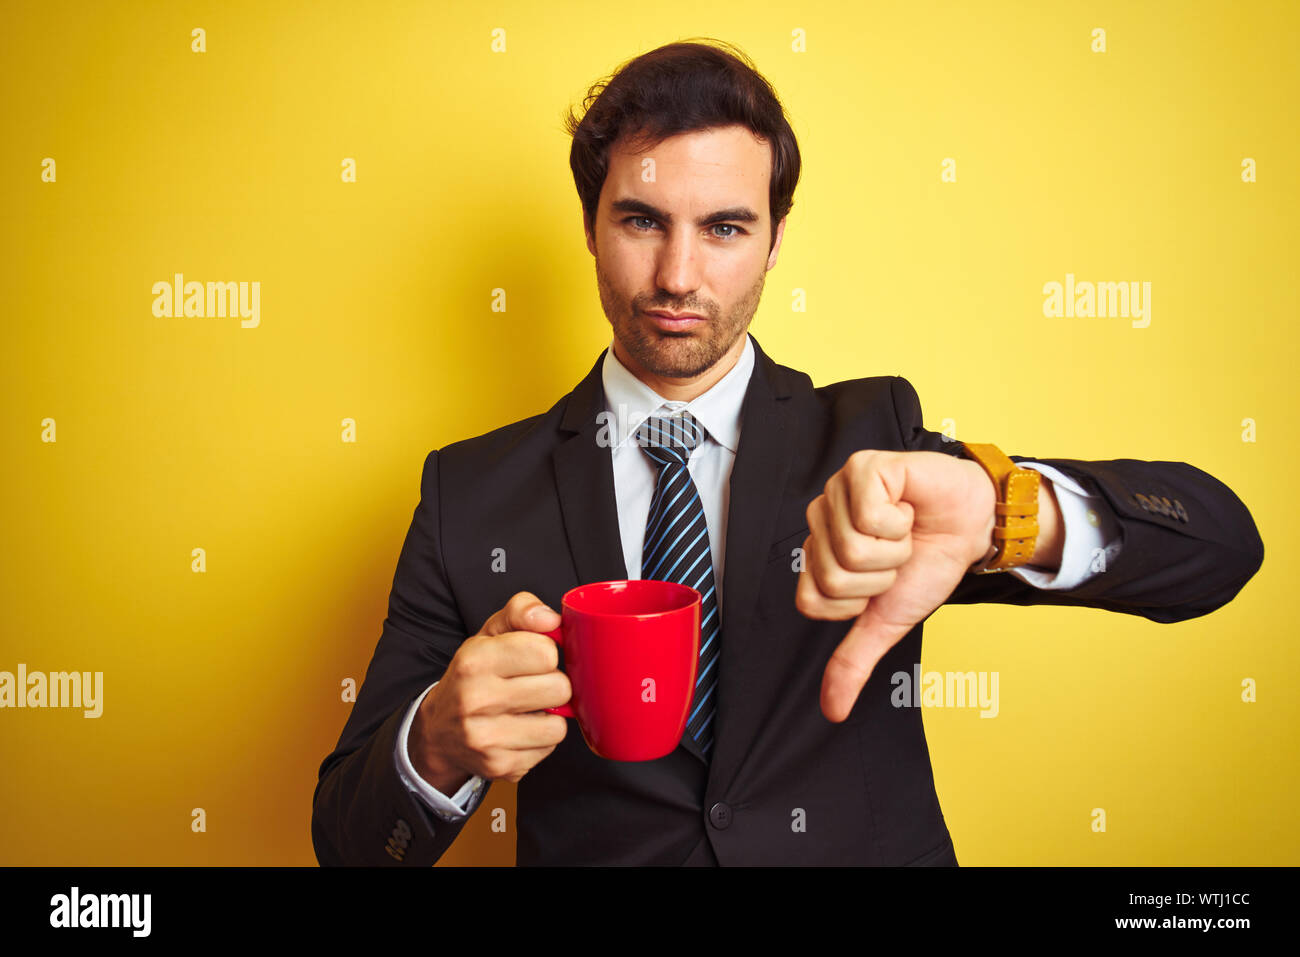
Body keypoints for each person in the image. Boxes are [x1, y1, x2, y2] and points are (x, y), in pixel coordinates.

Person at [311, 39, 1264, 866]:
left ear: (773, 244)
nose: (679, 276)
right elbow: (349, 844)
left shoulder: (874, 443)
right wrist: (431, 745)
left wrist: (1003, 511)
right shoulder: (468, 492)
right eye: (642, 220)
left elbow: (1222, 548)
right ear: (591, 226)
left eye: (725, 227)